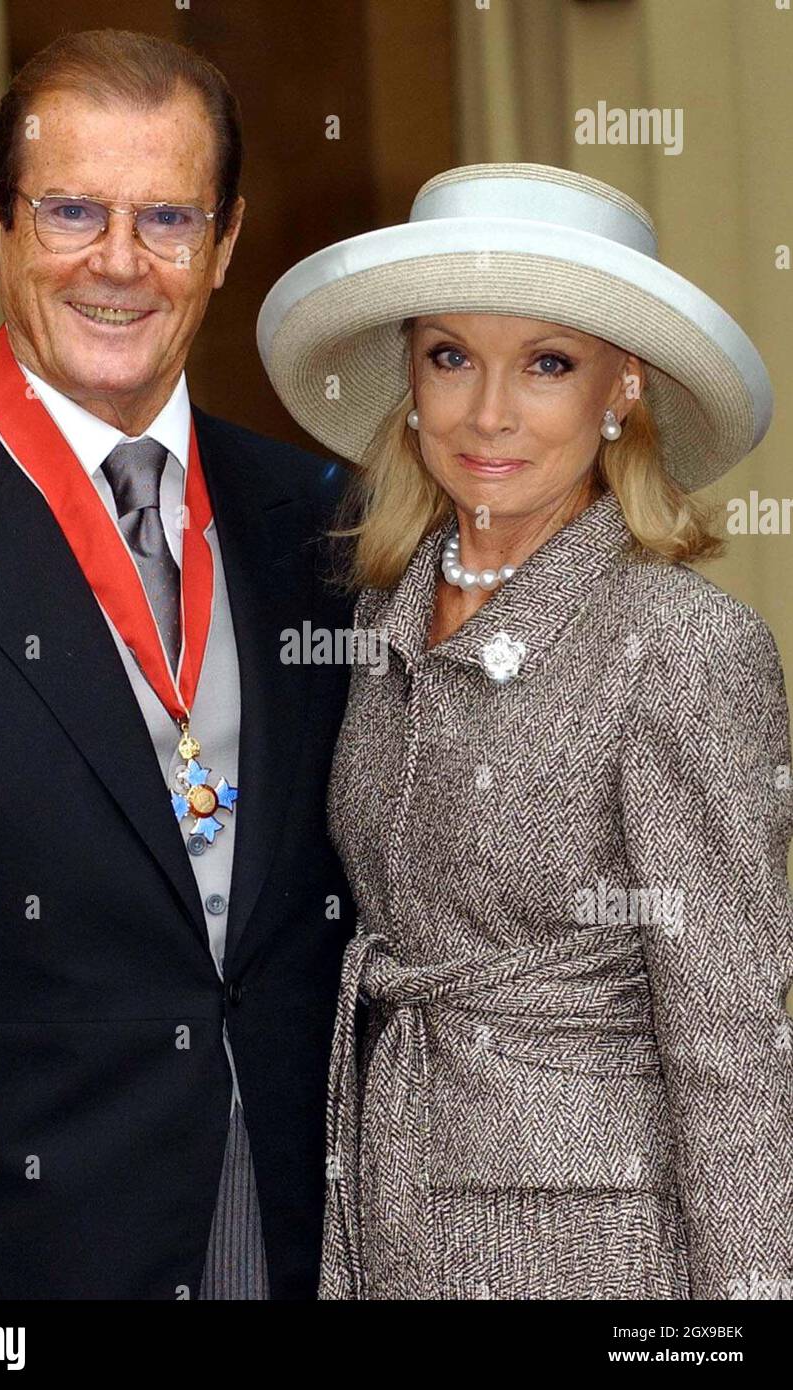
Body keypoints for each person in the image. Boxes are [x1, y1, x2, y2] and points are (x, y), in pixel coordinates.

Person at [0, 29, 356, 1300]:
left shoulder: (332, 524)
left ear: (229, 240)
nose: (120, 264)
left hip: (305, 1243)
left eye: (168, 217)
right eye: (72, 210)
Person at [258, 162, 793, 1300]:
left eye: (547, 364)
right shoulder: (378, 617)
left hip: (599, 1250)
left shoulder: (684, 646)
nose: (486, 413)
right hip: (386, 1201)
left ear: (622, 391)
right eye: (450, 356)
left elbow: (733, 1040)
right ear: (408, 377)